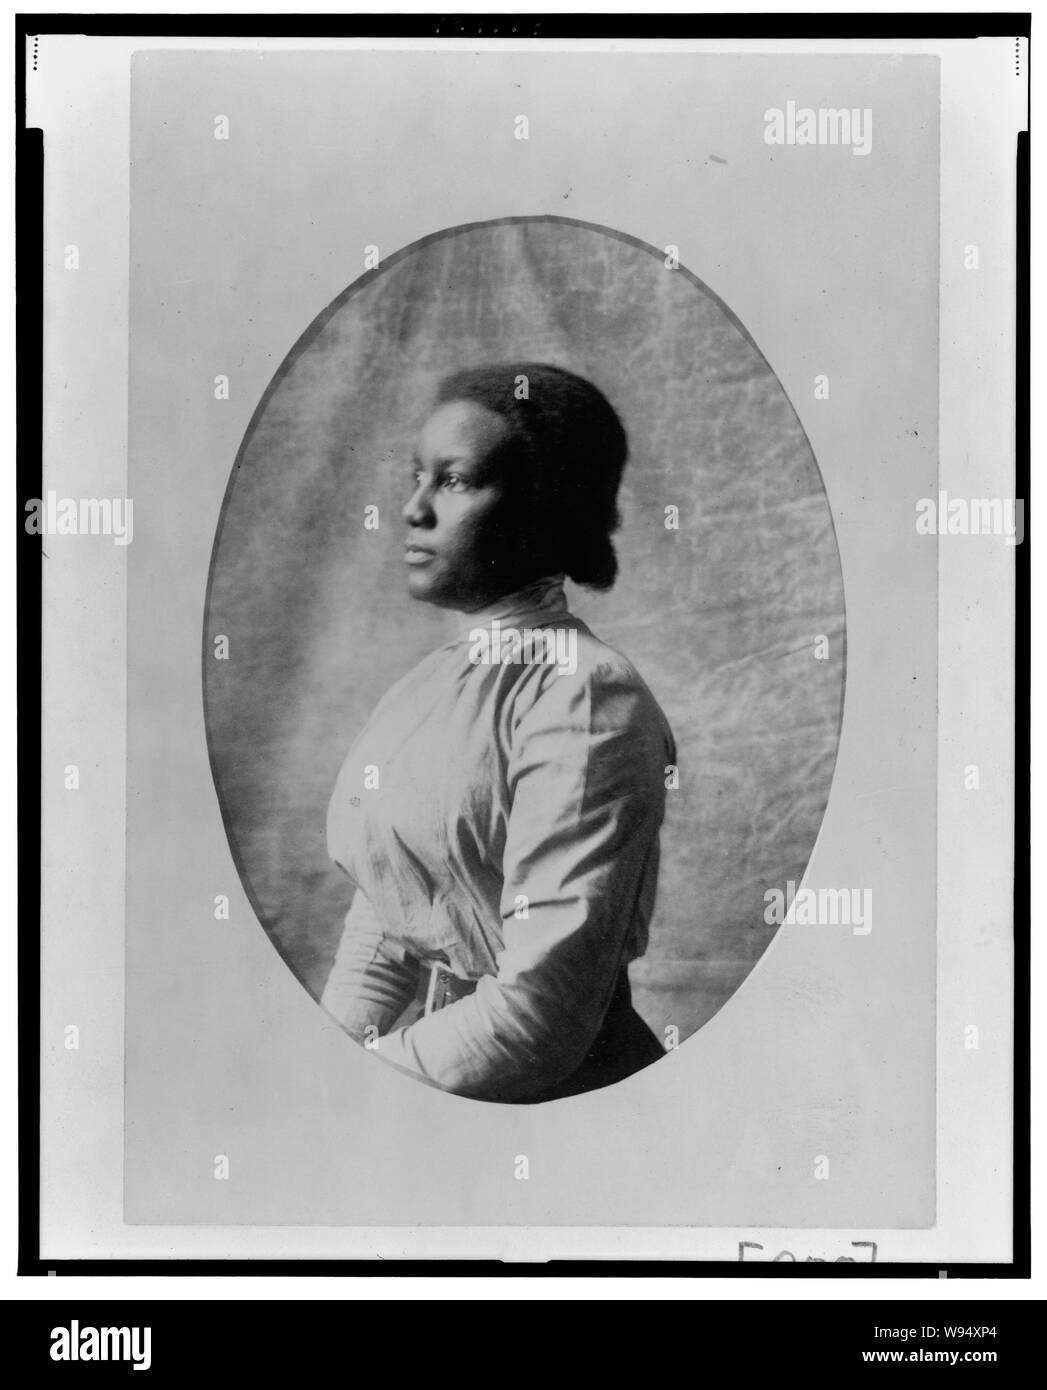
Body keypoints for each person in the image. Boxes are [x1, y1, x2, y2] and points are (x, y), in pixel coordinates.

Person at [321, 362, 676, 1103]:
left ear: (543, 508)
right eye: (417, 477)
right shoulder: (431, 685)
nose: (413, 509)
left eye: (454, 482)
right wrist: (322, 1069)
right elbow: (394, 915)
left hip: (562, 1094)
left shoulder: (583, 696)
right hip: (443, 1070)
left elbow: (537, 1019)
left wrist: (359, 1093)